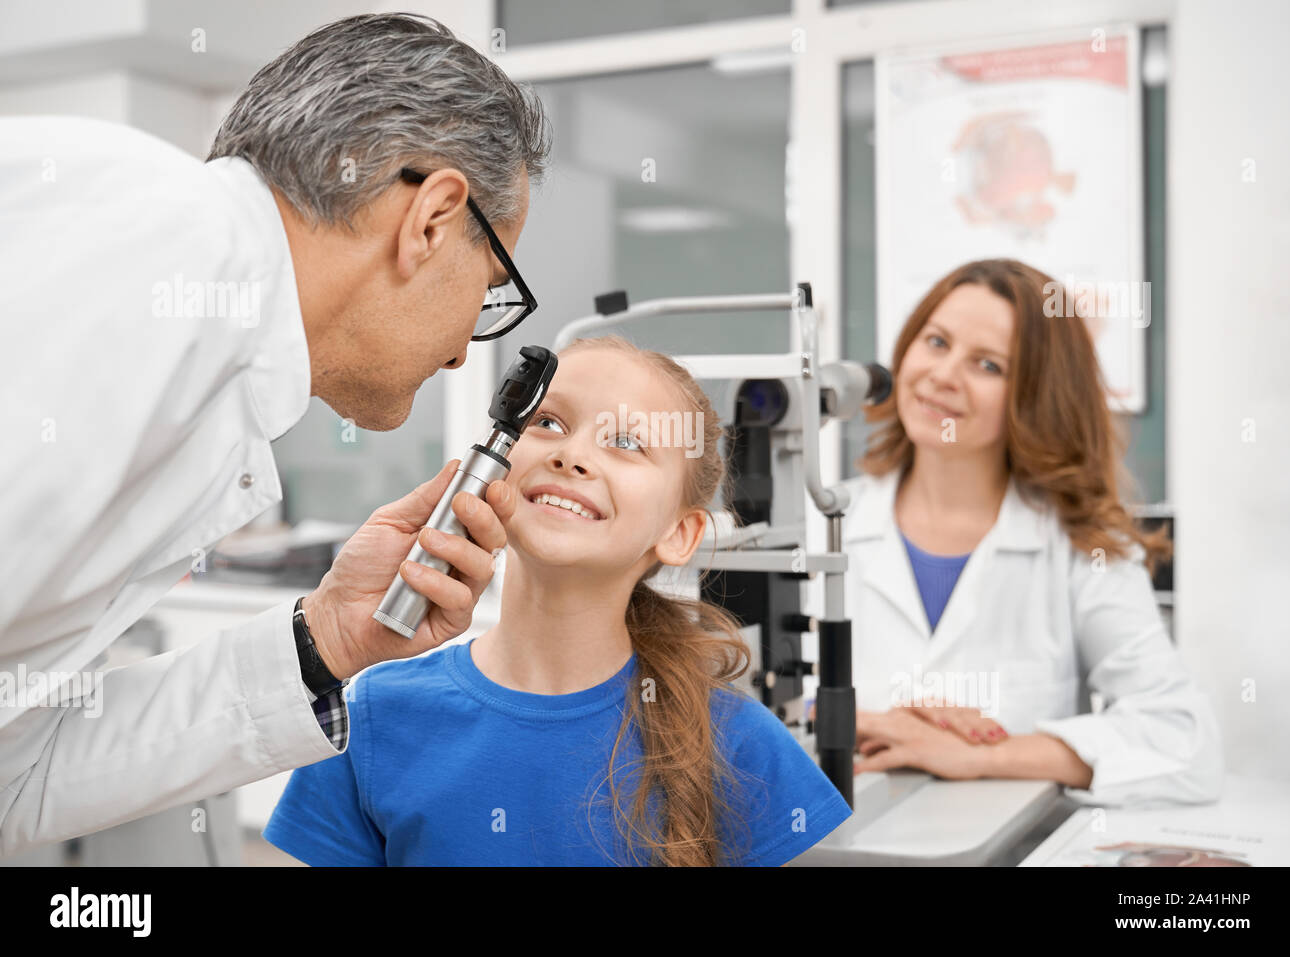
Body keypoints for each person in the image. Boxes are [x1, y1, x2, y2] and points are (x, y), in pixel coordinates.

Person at [0, 14, 550, 855]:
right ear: (433, 220)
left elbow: (19, 774)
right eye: (489, 287)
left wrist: (325, 637)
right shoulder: (153, 258)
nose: (465, 348)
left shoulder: (204, 335)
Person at [263, 337, 854, 865]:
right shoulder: (371, 717)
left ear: (679, 534)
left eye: (625, 441)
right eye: (546, 422)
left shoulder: (738, 742)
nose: (571, 455)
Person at [837, 259, 1223, 806]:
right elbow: (720, 704)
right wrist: (841, 719)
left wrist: (982, 755)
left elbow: (1187, 745)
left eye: (988, 365)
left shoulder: (1079, 546)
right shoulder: (818, 525)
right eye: (937, 341)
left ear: (1037, 395)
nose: (944, 375)